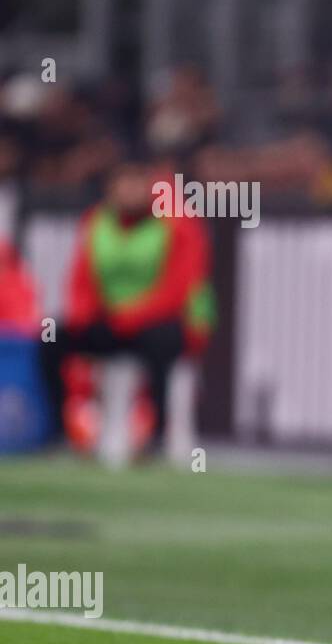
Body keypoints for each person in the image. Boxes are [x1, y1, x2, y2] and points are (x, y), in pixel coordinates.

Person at [43, 158, 215, 452]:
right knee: (50, 338)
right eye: (122, 183)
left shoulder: (177, 225)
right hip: (111, 321)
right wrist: (85, 314)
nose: (128, 191)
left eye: (136, 183)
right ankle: (58, 432)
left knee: (162, 344)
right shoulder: (97, 221)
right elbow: (81, 278)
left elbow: (178, 289)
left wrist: (131, 316)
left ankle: (159, 436)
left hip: (158, 322)